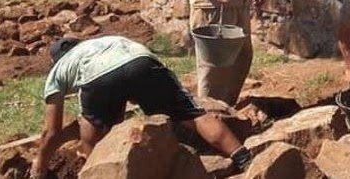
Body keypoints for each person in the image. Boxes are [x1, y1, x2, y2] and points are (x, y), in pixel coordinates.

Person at [31, 36, 252, 178]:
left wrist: (40, 165)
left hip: (97, 77)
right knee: (194, 116)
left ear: (56, 60)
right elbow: (131, 83)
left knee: (91, 138)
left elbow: (51, 131)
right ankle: (243, 158)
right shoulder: (104, 42)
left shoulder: (57, 71)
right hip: (142, 60)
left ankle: (97, 172)